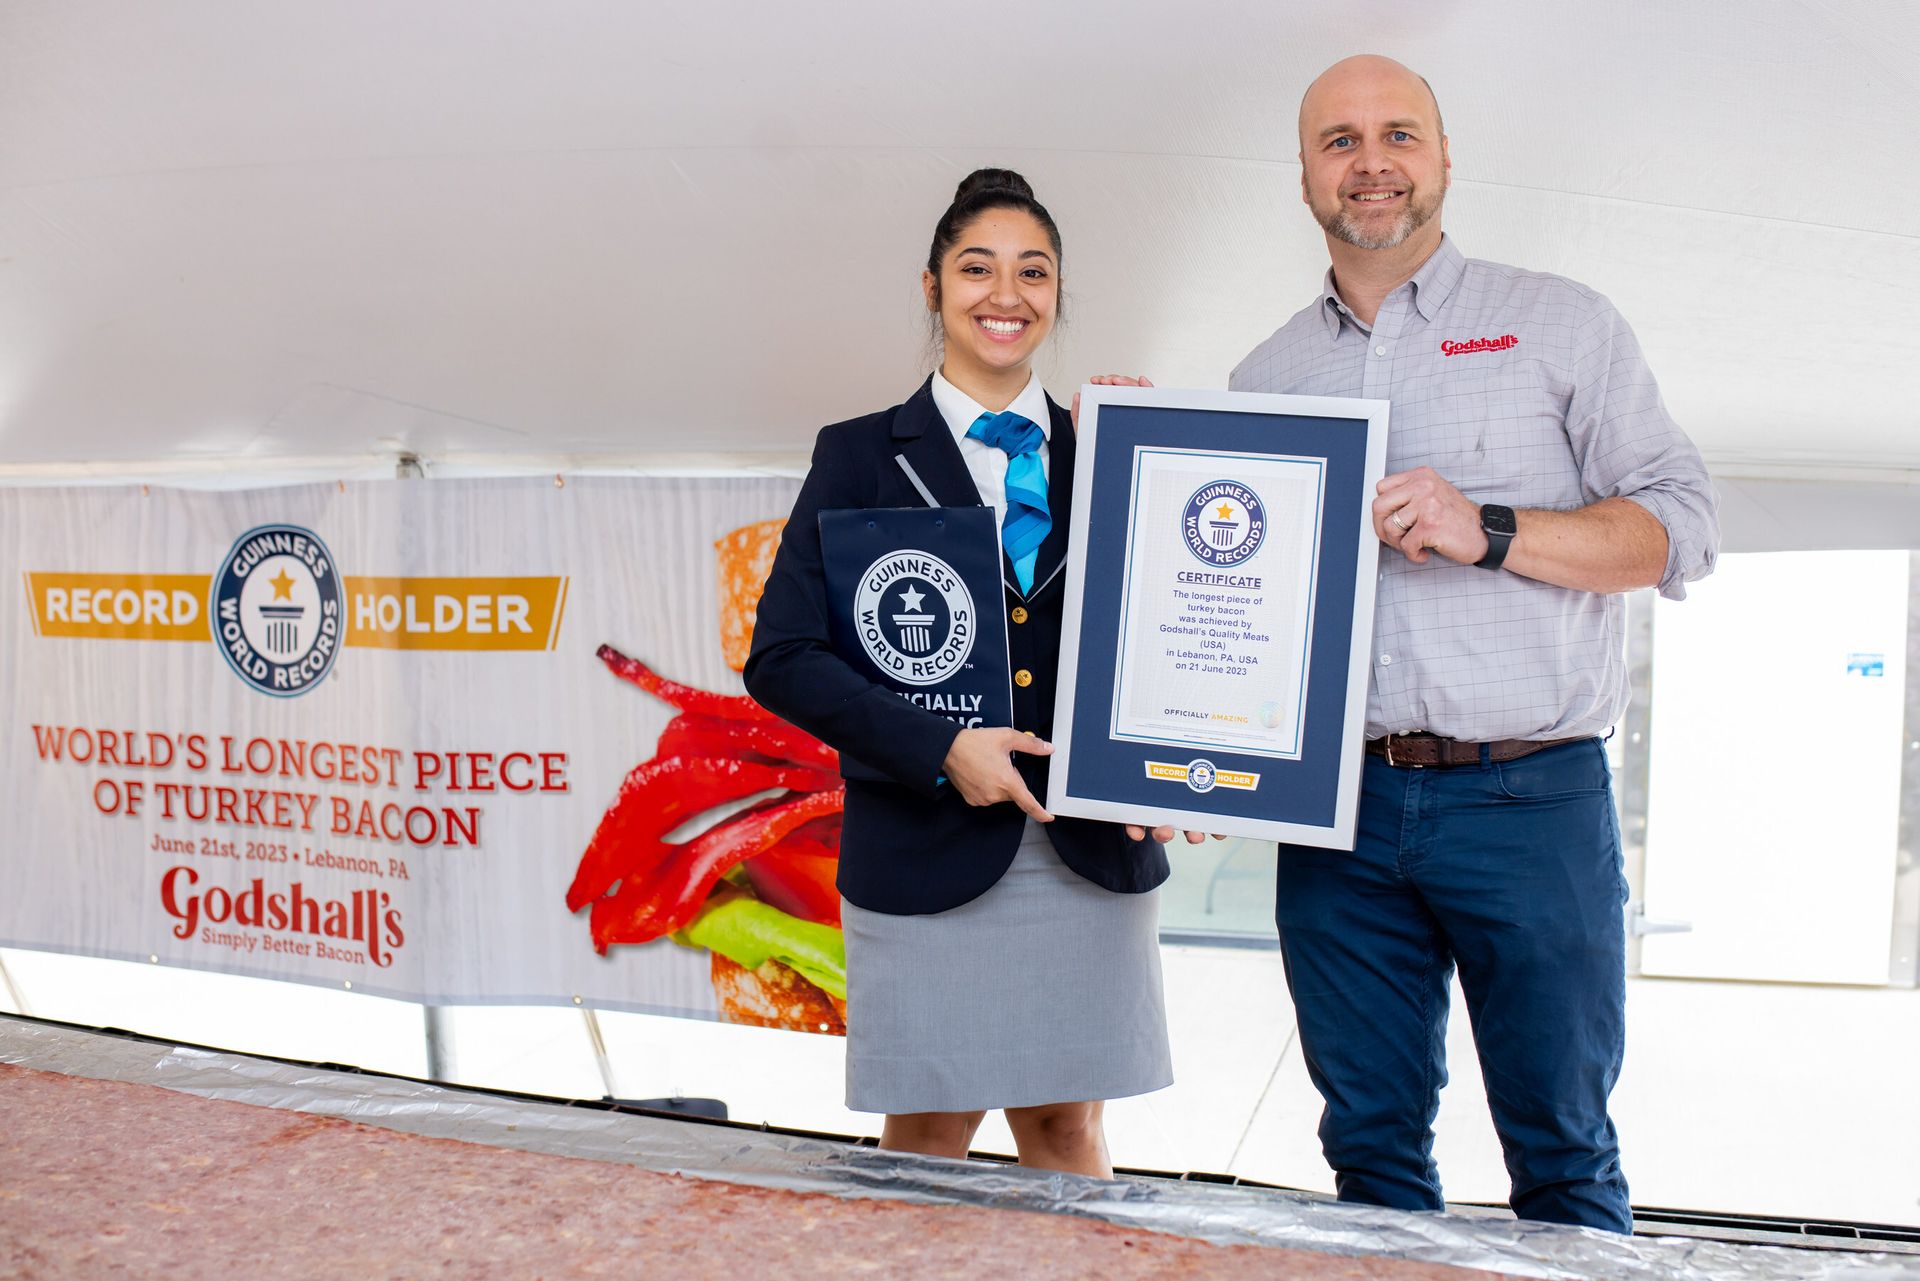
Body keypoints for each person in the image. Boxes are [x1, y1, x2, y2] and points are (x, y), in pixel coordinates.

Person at [1227, 56, 1720, 1232]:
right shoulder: (1266, 378)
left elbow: (1682, 531)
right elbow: (1241, 606)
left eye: (1399, 134)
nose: (1372, 162)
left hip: (1529, 803)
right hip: (1337, 814)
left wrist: (1488, 527)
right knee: (1369, 1157)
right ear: (1304, 174)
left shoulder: (1561, 325)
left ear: (1443, 160)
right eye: (1339, 141)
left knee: (1561, 1150)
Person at [744, 169, 1198, 1178]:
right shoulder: (862, 456)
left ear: (1060, 291)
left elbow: (1174, 631)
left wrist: (1173, 762)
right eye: (977, 269)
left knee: (1067, 1132)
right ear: (932, 287)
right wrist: (940, 747)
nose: (1007, 294)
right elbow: (780, 658)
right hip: (925, 849)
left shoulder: (1116, 452)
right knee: (928, 1143)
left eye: (1033, 272)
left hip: (1084, 848)